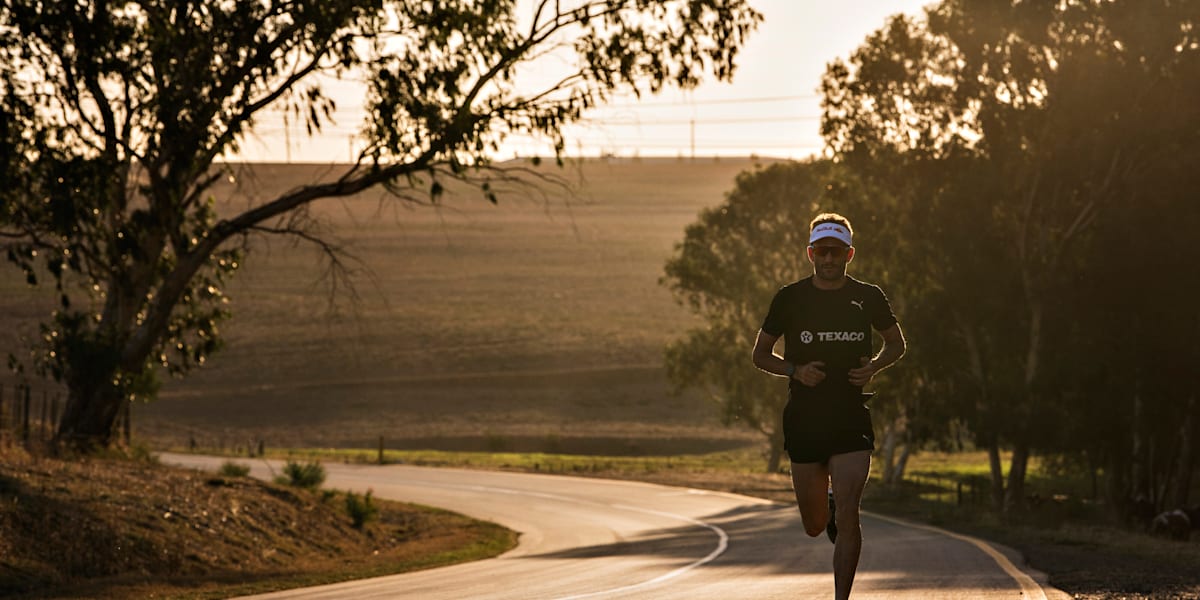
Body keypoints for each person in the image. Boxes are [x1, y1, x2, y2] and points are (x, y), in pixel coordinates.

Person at [751, 212, 905, 600]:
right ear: (810, 254)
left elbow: (896, 344)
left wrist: (874, 366)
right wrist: (795, 371)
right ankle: (829, 506)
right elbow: (760, 355)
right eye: (822, 251)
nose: (829, 259)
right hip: (804, 421)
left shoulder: (868, 296)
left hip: (851, 417)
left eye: (836, 251)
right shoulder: (790, 298)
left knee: (852, 514)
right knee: (815, 525)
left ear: (849, 254)